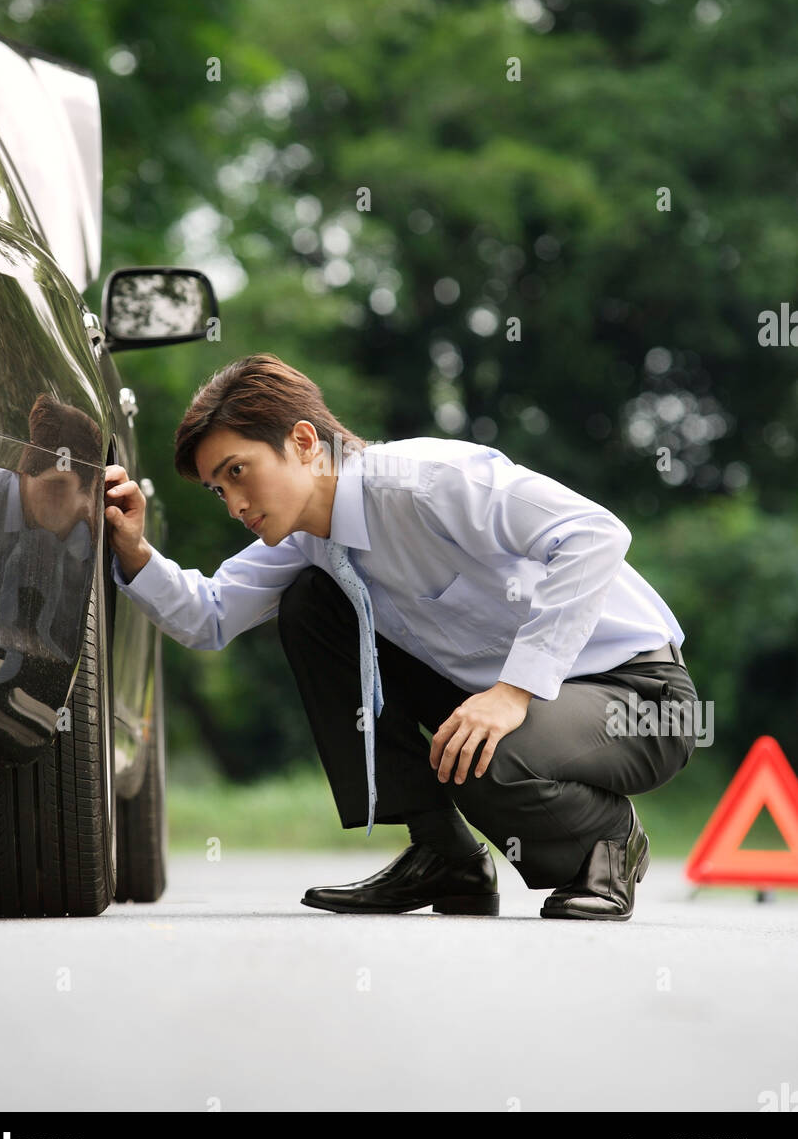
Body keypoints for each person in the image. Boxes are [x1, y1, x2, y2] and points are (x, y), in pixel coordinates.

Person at [105, 353, 701, 922]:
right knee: (312, 603)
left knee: (484, 757)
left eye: (238, 472)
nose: (234, 504)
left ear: (305, 444)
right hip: (516, 706)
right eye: (217, 489)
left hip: (639, 696)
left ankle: (609, 840)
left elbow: (593, 533)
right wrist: (132, 549)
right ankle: (445, 855)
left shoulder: (429, 480)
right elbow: (208, 618)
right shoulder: (305, 539)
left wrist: (514, 689)